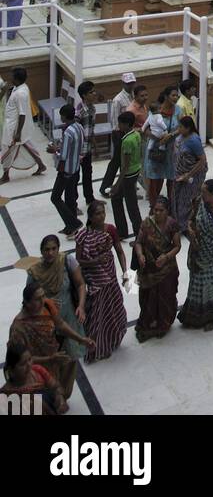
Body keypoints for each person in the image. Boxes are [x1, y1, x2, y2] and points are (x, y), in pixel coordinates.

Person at [9, 284, 93, 399]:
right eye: (38, 299)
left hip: (53, 361)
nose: (42, 301)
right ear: (27, 303)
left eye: (43, 296)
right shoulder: (18, 329)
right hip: (35, 371)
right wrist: (50, 359)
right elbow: (20, 361)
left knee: (63, 389)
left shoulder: (47, 305)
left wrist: (81, 339)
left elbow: (60, 324)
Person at [25, 234, 88, 382]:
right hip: (47, 323)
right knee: (51, 359)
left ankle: (64, 391)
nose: (50, 253)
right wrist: (45, 301)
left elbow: (80, 284)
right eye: (47, 249)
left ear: (58, 249)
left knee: (71, 357)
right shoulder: (35, 272)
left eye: (54, 249)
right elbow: (28, 298)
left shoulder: (66, 261)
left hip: (68, 317)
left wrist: (81, 306)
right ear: (41, 251)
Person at [75, 201, 128, 361]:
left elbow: (119, 251)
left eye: (103, 212)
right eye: (97, 213)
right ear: (90, 217)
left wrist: (125, 272)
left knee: (115, 310)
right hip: (94, 280)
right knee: (97, 315)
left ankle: (112, 338)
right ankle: (97, 347)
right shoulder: (83, 235)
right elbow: (79, 260)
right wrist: (96, 261)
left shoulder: (110, 230)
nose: (101, 216)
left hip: (109, 278)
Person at [178, 180, 213, 331]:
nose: (201, 194)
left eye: (205, 192)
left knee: (212, 283)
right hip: (200, 250)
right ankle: (194, 313)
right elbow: (190, 220)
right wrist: (190, 230)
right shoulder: (199, 202)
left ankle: (212, 315)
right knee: (197, 280)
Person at [134, 195, 181, 341]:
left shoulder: (172, 224)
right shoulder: (147, 223)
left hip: (166, 268)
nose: (158, 213)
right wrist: (140, 255)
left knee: (166, 295)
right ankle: (149, 322)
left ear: (167, 211)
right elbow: (138, 242)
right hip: (149, 268)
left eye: (161, 210)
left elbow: (177, 246)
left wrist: (166, 257)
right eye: (155, 210)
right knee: (148, 296)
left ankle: (163, 323)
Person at [1, 66, 47, 182]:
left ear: (16, 79)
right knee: (26, 146)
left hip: (15, 128)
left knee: (7, 150)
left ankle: (6, 175)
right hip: (13, 125)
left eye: (12, 76)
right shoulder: (20, 88)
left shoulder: (20, 93)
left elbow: (22, 114)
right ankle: (41, 165)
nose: (9, 77)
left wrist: (18, 133)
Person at [1, 341, 67, 416]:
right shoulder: (5, 394)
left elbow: (57, 387)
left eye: (30, 359)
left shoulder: (38, 370)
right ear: (11, 370)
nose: (29, 365)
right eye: (23, 364)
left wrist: (60, 397)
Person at [50, 103, 85, 235]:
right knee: (70, 198)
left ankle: (74, 223)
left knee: (55, 197)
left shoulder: (68, 132)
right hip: (76, 167)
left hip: (66, 170)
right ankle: (71, 226)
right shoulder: (79, 127)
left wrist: (55, 150)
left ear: (64, 116)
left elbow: (63, 156)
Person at [109, 111, 143, 240]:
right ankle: (122, 231)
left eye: (120, 123)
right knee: (118, 199)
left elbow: (125, 166)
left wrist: (116, 184)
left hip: (128, 176)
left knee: (131, 205)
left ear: (127, 124)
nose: (119, 126)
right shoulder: (136, 135)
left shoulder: (127, 141)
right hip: (135, 171)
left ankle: (138, 234)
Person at [143, 89, 179, 206]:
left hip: (171, 150)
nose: (176, 98)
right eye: (173, 95)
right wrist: (157, 139)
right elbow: (146, 129)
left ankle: (171, 205)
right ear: (166, 96)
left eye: (177, 95)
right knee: (155, 179)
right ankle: (154, 206)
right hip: (156, 148)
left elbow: (182, 128)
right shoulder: (155, 110)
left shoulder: (178, 110)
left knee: (171, 178)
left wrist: (170, 135)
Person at [172, 114, 207, 233]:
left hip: (192, 175)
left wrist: (189, 174)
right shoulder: (181, 136)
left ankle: (183, 226)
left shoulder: (194, 140)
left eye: (181, 127)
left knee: (185, 200)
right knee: (176, 197)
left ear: (188, 128)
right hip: (179, 174)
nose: (179, 129)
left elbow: (202, 160)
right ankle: (178, 222)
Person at [74, 79, 99, 207]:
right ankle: (73, 204)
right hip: (78, 151)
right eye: (91, 92)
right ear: (84, 95)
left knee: (88, 174)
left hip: (87, 148)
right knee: (74, 177)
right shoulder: (79, 111)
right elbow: (74, 131)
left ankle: (90, 199)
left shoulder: (92, 109)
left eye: (94, 91)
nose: (94, 94)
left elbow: (91, 129)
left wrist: (94, 145)